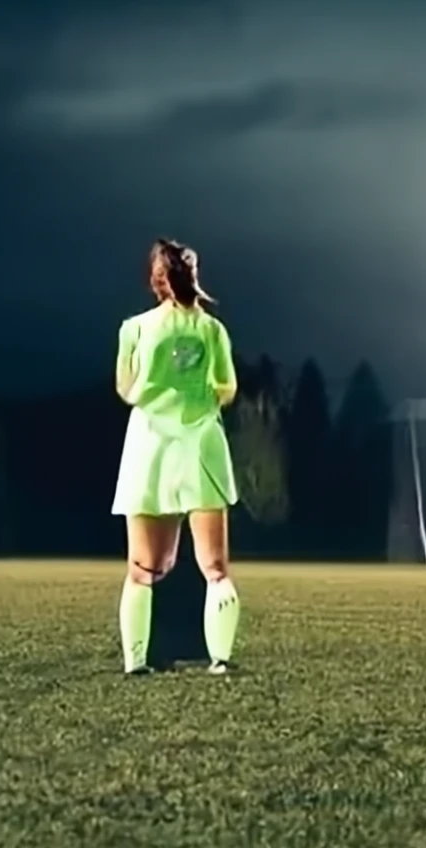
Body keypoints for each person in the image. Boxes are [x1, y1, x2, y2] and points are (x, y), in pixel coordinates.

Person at [111, 238, 241, 676]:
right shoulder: (212, 330)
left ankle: (136, 663)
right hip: (200, 444)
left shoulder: (134, 328)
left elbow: (126, 390)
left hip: (150, 447)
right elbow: (227, 389)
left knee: (145, 566)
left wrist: (158, 390)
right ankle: (220, 662)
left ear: (156, 280)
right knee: (215, 567)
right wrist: (194, 396)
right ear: (193, 276)